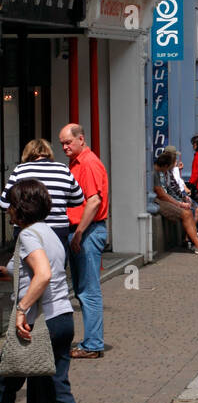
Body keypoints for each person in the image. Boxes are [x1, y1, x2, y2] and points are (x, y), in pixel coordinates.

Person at [0, 180, 85, 403]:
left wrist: (21, 308)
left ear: (20, 208)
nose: (8, 209)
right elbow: (23, 270)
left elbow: (43, 274)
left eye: (11, 204)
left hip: (40, 322)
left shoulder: (28, 235)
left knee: (5, 384)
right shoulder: (48, 233)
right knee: (58, 390)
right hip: (62, 318)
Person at [59, 123, 109, 359]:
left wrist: (79, 232)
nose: (65, 147)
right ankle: (91, 342)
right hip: (86, 231)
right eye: (62, 144)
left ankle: (92, 344)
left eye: (68, 142)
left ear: (81, 139)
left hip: (87, 232)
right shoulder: (79, 162)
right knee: (83, 290)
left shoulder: (87, 163)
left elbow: (94, 201)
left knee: (88, 291)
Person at [0, 139, 84, 254]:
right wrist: (59, 201)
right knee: (56, 267)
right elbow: (79, 199)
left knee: (27, 269)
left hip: (26, 229)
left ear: (27, 153)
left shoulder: (20, 170)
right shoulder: (63, 169)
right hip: (58, 230)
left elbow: (4, 203)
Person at [153, 148, 198, 254]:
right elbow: (162, 195)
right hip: (158, 201)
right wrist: (179, 203)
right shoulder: (155, 173)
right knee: (186, 213)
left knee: (188, 212)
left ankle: (197, 243)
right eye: (168, 167)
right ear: (165, 166)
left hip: (165, 199)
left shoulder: (159, 172)